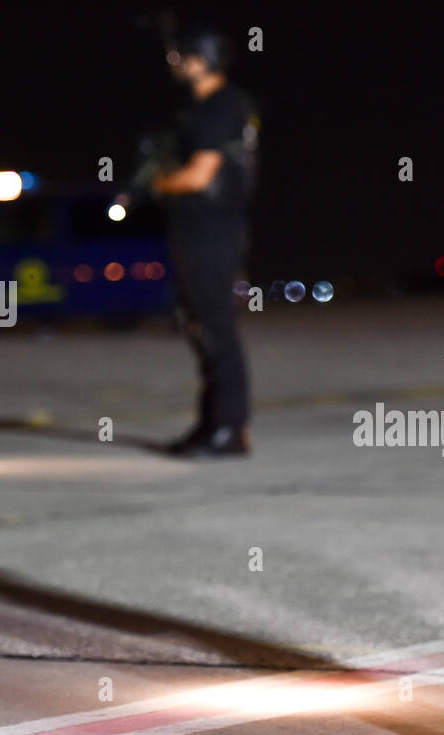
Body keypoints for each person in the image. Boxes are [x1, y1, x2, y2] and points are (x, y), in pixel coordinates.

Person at [154, 26, 259, 458]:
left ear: (204, 59)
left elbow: (200, 175)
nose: (176, 62)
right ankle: (211, 423)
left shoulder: (219, 106)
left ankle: (230, 430)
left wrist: (159, 182)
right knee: (201, 328)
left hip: (211, 234)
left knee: (216, 330)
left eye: (185, 55)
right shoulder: (209, 107)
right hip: (203, 231)